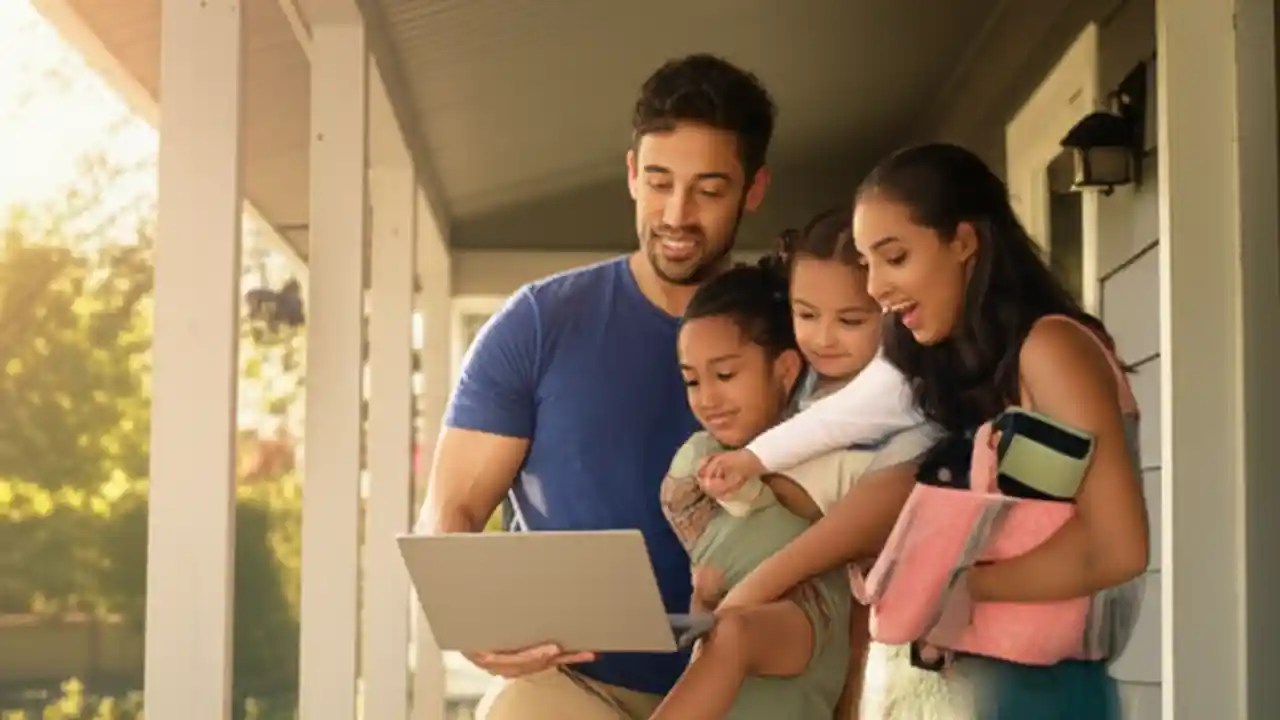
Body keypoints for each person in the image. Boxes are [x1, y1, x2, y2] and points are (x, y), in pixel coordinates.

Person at [713, 143, 1149, 719]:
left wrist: (949, 588)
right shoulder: (970, 370)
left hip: (1035, 691)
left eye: (894, 258)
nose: (874, 289)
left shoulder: (1053, 349)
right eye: (867, 264)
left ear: (964, 243)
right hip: (967, 681)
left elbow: (1115, 546)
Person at [413, 54, 777, 719]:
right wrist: (476, 622)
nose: (677, 213)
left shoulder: (793, 331)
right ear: (632, 172)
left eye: (710, 189)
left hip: (750, 688)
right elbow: (452, 509)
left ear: (753, 190)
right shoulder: (539, 322)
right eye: (660, 180)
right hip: (570, 681)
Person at [649, 212, 936, 720]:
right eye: (693, 380)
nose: (823, 339)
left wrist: (736, 600)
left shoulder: (888, 422)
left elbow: (852, 566)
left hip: (817, 635)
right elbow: (709, 599)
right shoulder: (707, 460)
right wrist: (710, 599)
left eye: (849, 320)